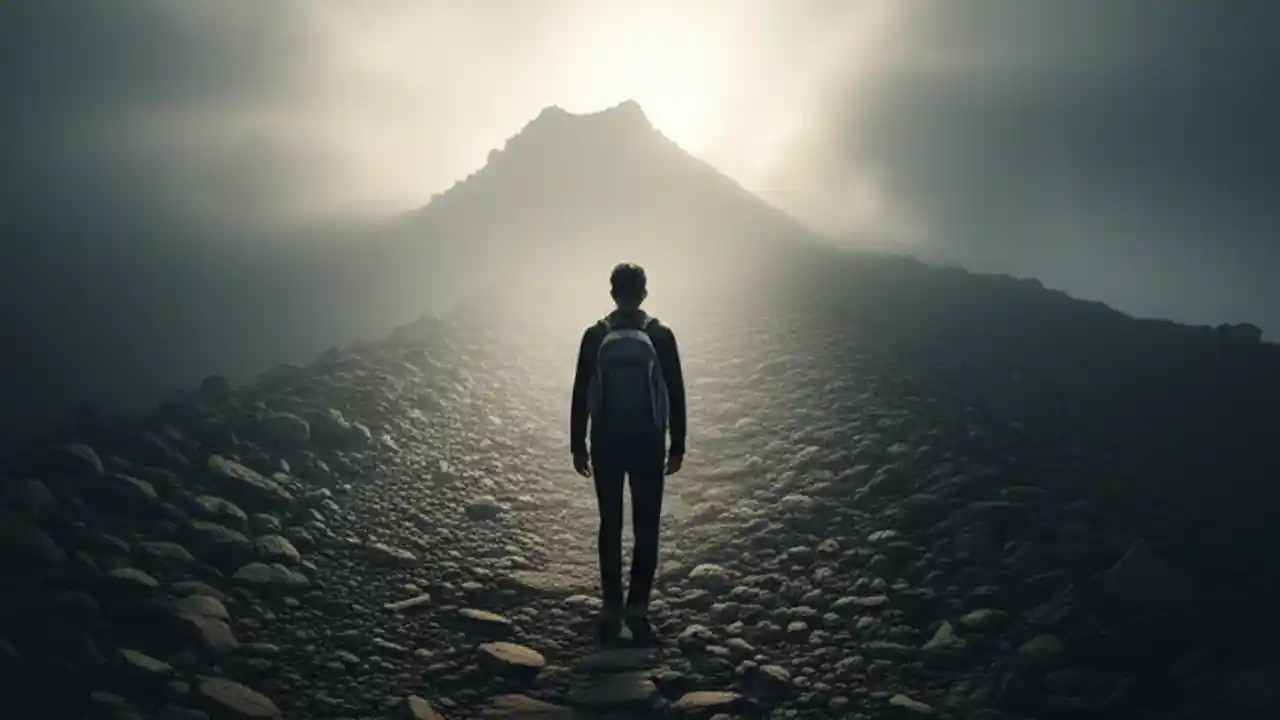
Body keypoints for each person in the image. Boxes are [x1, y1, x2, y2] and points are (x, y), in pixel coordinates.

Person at [571, 262, 686, 646]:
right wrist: (678, 443)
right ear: (644, 293)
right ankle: (638, 608)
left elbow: (580, 392)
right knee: (646, 526)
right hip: (648, 441)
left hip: (606, 440)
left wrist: (577, 444)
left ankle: (611, 606)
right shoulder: (661, 335)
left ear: (612, 292)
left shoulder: (594, 335)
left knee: (610, 523)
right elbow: (675, 391)